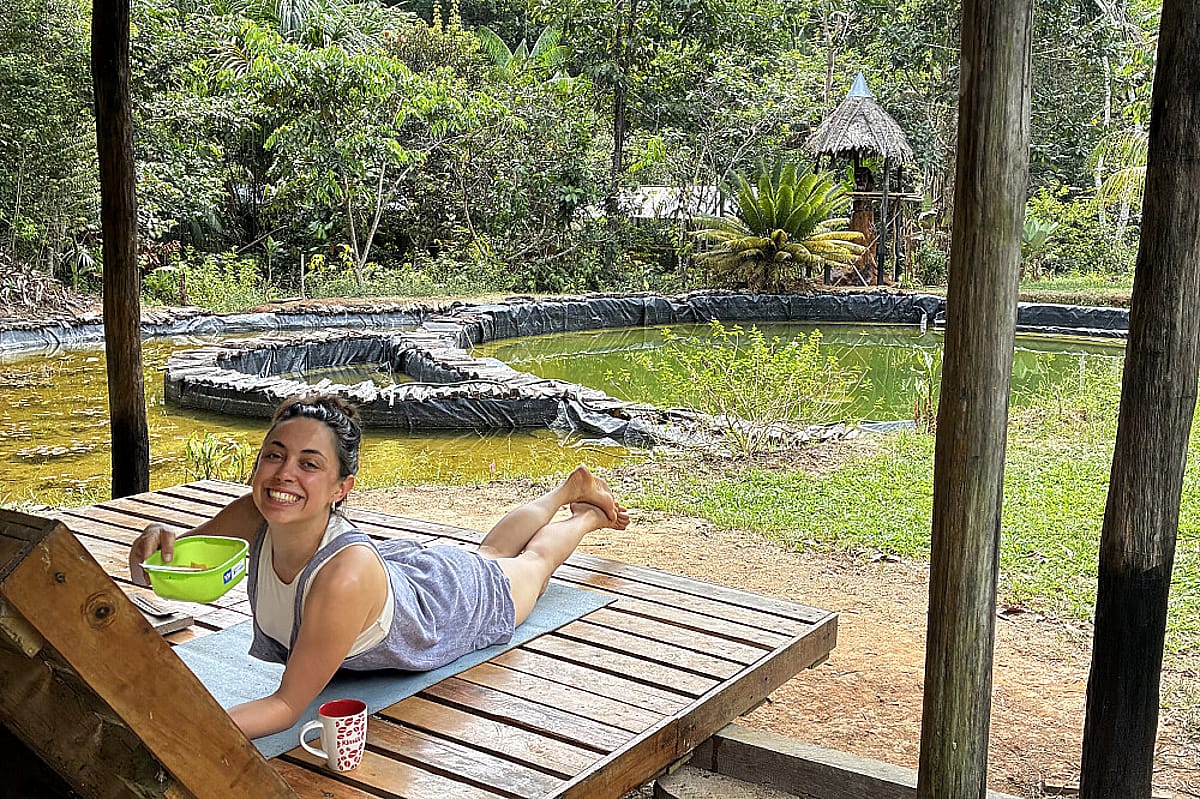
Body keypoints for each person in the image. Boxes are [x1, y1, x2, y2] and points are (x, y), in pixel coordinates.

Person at [129, 394, 629, 740]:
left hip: (446, 605)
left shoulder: (341, 579)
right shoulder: (258, 509)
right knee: (490, 556)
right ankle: (566, 488)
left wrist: (176, 729)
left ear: (340, 488)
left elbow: (285, 708)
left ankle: (583, 513)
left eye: (309, 463)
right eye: (274, 455)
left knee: (529, 567)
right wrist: (148, 550)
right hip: (400, 575)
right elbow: (174, 564)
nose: (284, 474)